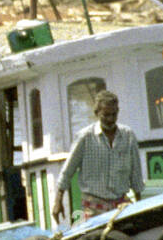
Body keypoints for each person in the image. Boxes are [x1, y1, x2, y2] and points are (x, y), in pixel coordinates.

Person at [52, 90, 143, 223]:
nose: (111, 119)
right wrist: (58, 201)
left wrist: (139, 205)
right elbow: (68, 170)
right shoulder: (85, 137)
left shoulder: (128, 136)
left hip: (121, 204)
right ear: (96, 113)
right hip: (93, 207)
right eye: (106, 115)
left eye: (114, 114)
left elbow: (136, 174)